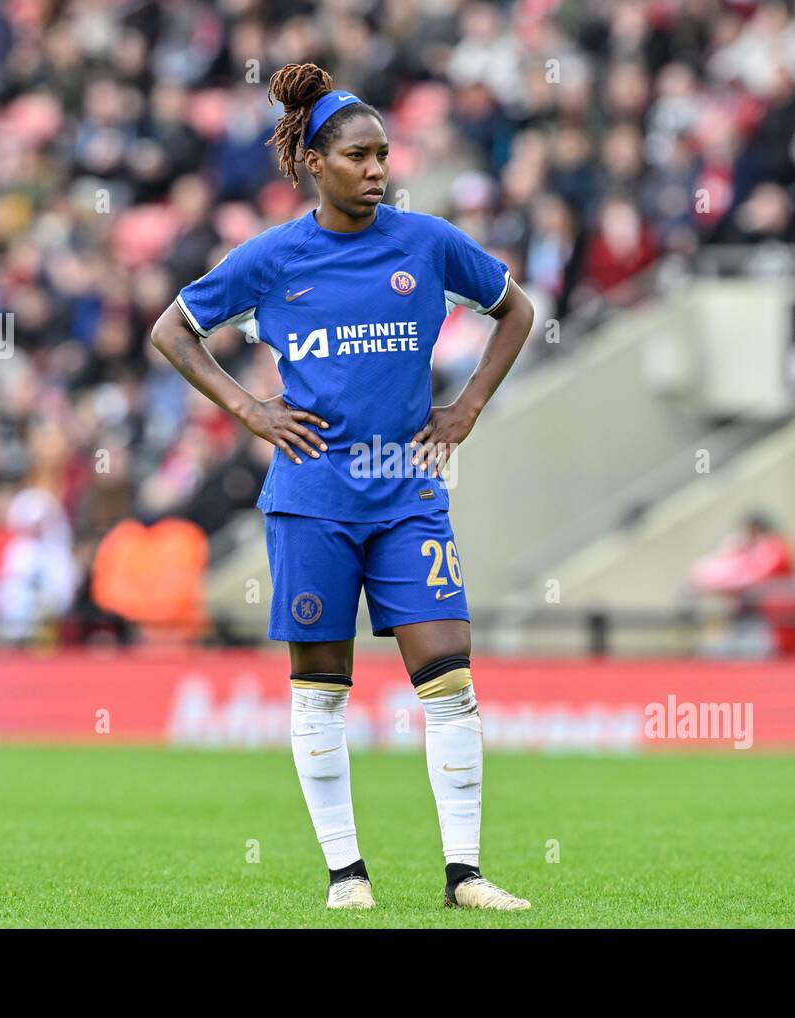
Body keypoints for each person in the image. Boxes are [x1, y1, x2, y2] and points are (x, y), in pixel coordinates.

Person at [151, 62, 536, 911]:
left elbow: (518, 310)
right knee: (321, 691)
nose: (377, 168)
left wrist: (467, 405)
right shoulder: (274, 257)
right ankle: (345, 875)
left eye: (384, 154)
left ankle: (464, 875)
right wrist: (249, 408)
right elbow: (173, 329)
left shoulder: (427, 242)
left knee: (451, 680)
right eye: (359, 155)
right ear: (314, 165)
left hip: (406, 491)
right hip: (311, 499)